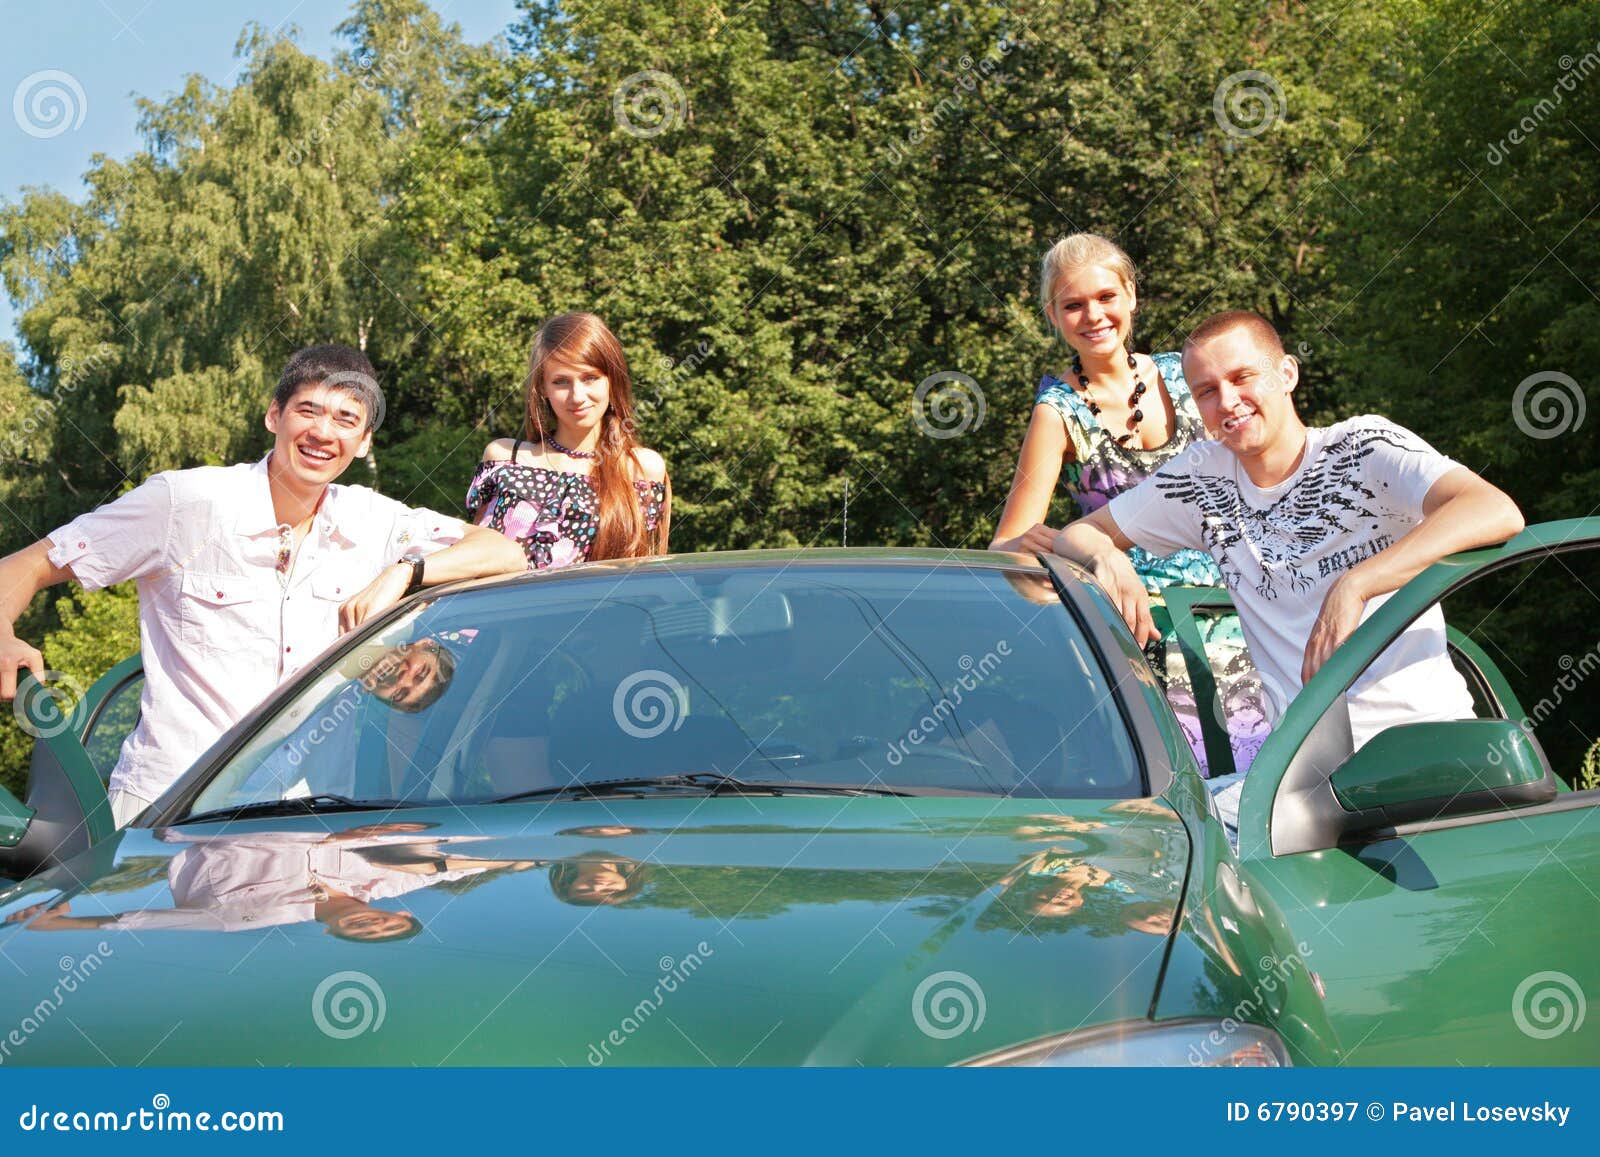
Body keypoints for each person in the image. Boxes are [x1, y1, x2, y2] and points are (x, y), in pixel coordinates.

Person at [0, 345, 527, 827]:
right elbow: (26, 565)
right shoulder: (184, 502)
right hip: (168, 818)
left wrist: (406, 573)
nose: (324, 433)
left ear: (364, 441)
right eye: (309, 410)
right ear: (274, 415)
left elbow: (507, 552)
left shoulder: (377, 523)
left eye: (347, 419)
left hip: (310, 822)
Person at [1054, 309, 1526, 836]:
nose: (1226, 401)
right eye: (1206, 390)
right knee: (1145, 830)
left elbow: (1493, 509)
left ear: (1286, 374)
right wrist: (1106, 554)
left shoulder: (1363, 447)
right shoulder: (1201, 478)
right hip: (1310, 776)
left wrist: (1358, 583)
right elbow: (1076, 534)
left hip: (1427, 758)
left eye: (1241, 377)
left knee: (1184, 836)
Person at [990, 233, 1256, 776]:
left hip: (1245, 613)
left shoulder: (1190, 376)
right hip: (1139, 638)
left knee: (1270, 790)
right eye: (1074, 305)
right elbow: (1006, 548)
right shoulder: (1057, 412)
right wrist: (1071, 553)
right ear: (1053, 315)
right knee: (1185, 794)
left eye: (1106, 296)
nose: (1094, 315)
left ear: (1132, 295)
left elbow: (1257, 465)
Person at [3, 823, 538, 940]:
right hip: (297, 795)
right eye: (386, 927)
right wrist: (523, 856)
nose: (371, 923)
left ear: (341, 935)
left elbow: (148, 920)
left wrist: (66, 923)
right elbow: (447, 863)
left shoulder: (254, 919)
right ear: (399, 915)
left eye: (365, 934)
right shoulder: (382, 882)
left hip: (180, 840)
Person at [467, 312, 671, 570]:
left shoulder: (640, 467)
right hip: (502, 609)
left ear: (612, 379)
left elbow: (642, 570)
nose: (577, 396)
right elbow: (473, 557)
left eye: (590, 378)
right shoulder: (505, 458)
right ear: (542, 388)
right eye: (561, 382)